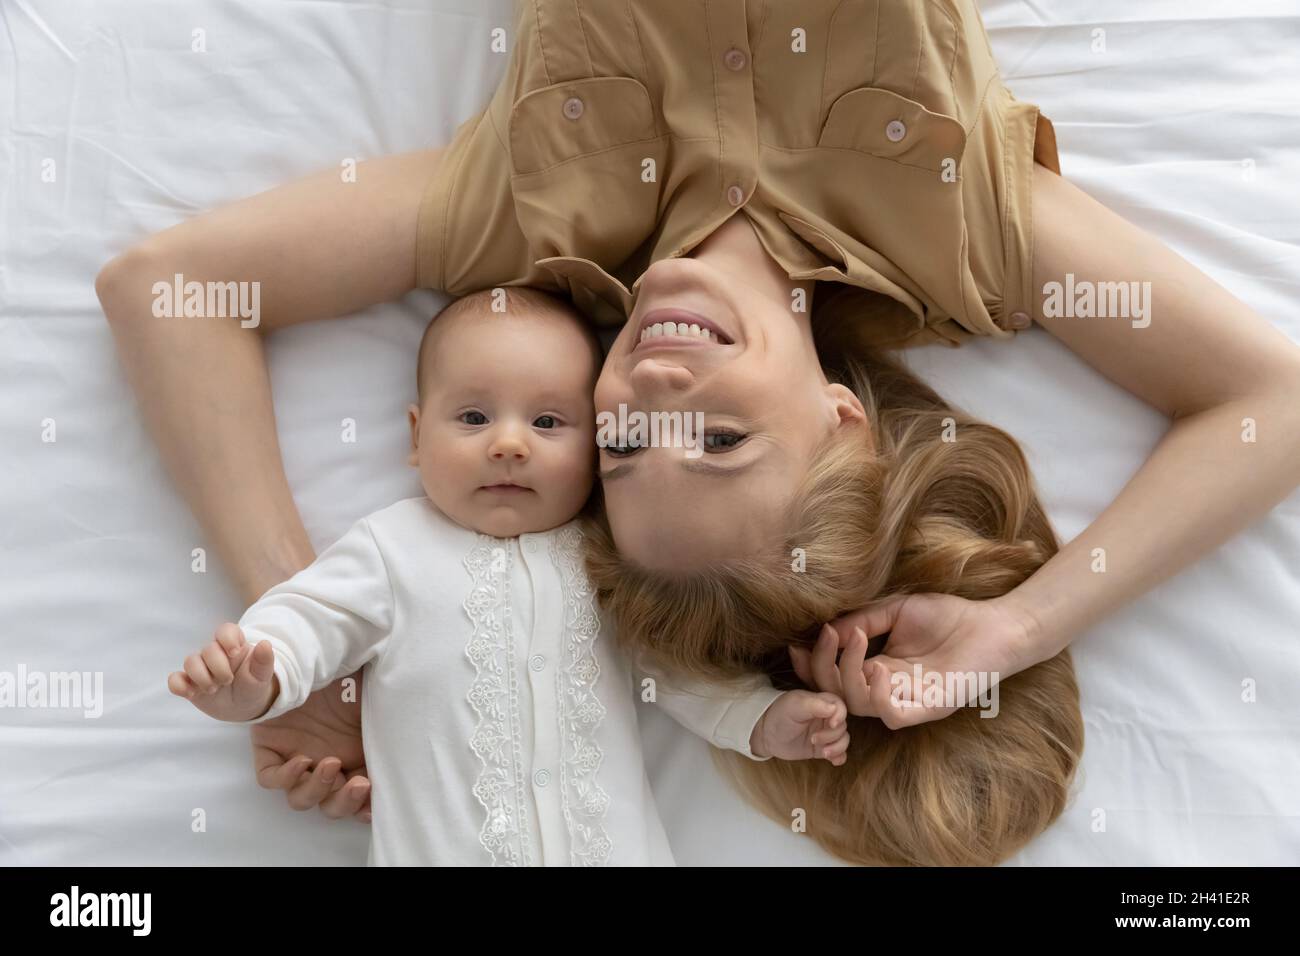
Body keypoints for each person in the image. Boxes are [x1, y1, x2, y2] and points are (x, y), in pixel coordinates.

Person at [98, 1, 1300, 862]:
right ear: (843, 417)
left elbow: (166, 290)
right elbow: (1271, 403)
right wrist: (1022, 624)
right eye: (720, 441)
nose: (655, 381)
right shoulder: (970, 229)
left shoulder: (515, 228)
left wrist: (305, 642)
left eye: (619, 444)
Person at [166, 286, 850, 865]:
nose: (509, 442)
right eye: (472, 417)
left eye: (549, 422)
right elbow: (305, 620)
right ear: (415, 436)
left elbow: (675, 675)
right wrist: (258, 679)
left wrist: (762, 721)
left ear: (599, 444)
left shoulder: (605, 558)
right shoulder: (392, 548)